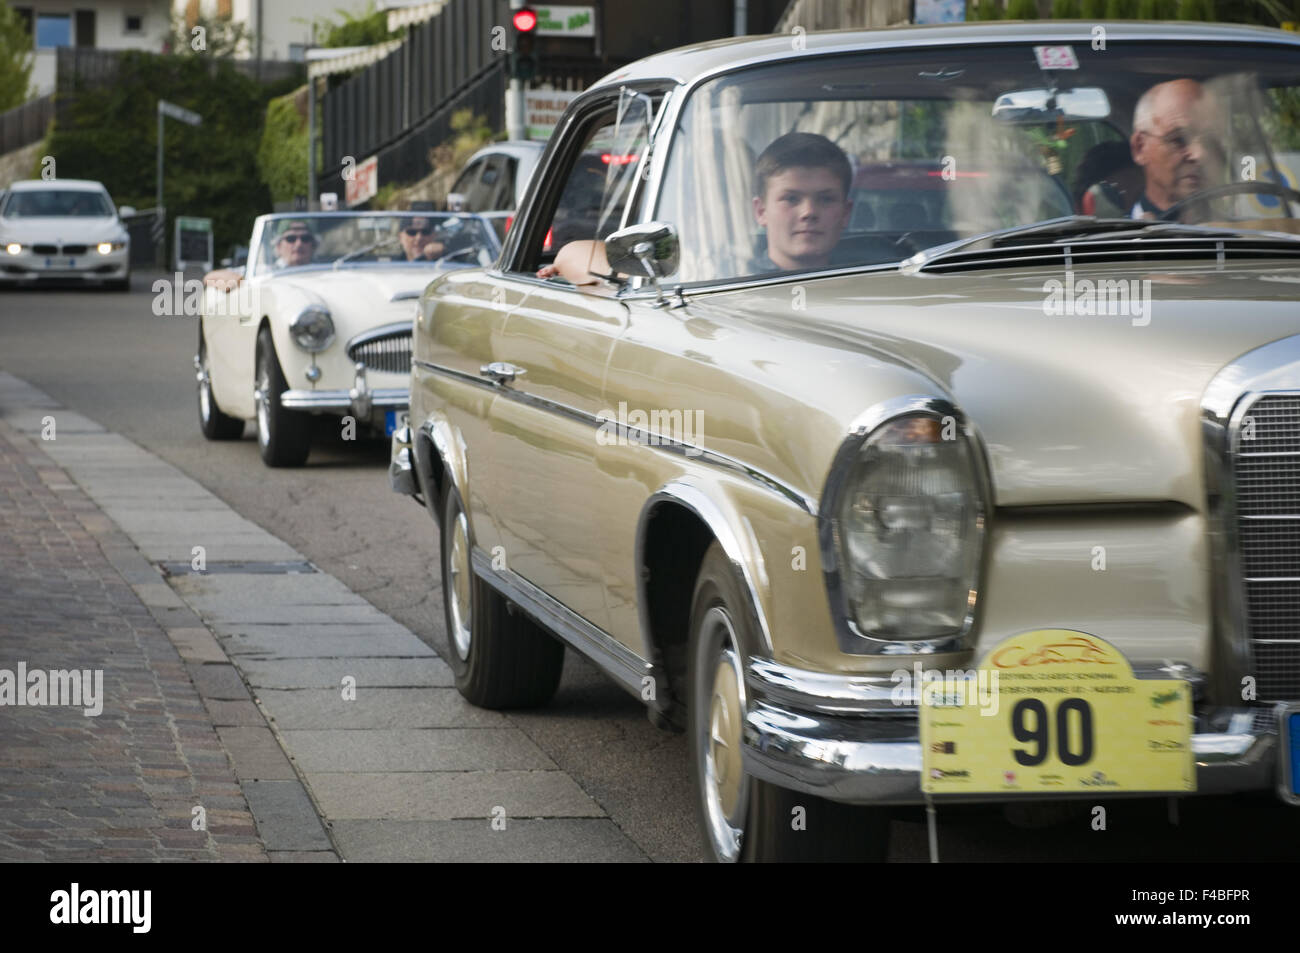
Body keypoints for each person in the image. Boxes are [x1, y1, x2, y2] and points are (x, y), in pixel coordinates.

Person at [538, 131, 853, 283]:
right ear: (760, 210)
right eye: (791, 199)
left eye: (825, 199)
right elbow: (573, 253)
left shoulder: (870, 272)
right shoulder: (716, 270)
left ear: (845, 212)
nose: (809, 212)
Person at [1128, 78, 1225, 220]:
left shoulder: (1245, 233)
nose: (1200, 154)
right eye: (1180, 140)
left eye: (1209, 141)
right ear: (1140, 147)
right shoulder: (1107, 239)